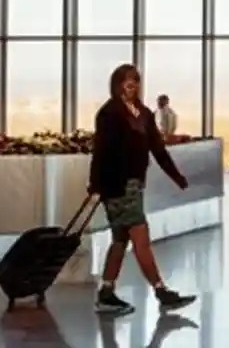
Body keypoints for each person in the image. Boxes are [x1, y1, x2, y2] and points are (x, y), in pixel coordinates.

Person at [88, 64, 195, 315]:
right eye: (127, 80)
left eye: (136, 80)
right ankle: (161, 291)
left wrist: (176, 176)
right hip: (116, 186)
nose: (132, 84)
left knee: (120, 240)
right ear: (117, 84)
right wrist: (95, 184)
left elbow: (158, 150)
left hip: (134, 185)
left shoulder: (144, 114)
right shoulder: (109, 113)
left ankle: (106, 292)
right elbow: (101, 152)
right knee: (140, 238)